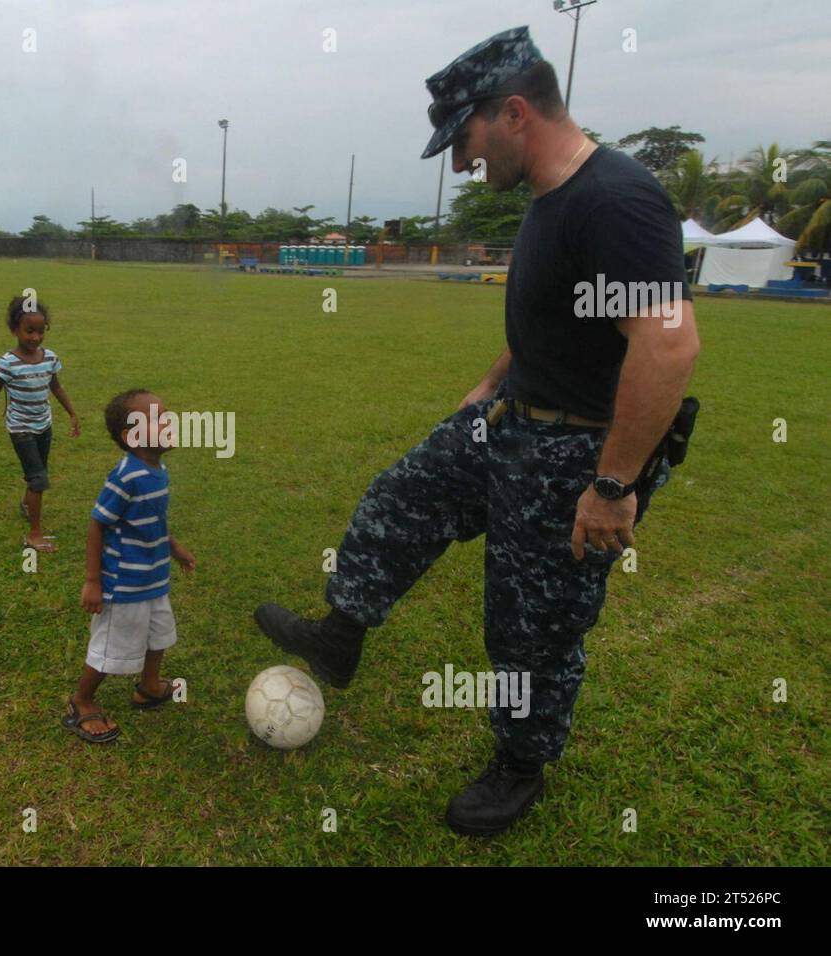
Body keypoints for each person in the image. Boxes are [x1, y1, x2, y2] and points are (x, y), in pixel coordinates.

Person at [254, 26, 700, 836]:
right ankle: (341, 632)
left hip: (577, 455)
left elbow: (669, 343)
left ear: (516, 112)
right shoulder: (551, 198)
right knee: (404, 497)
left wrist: (612, 486)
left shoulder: (615, 198)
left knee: (531, 626)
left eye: (462, 139)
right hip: (512, 420)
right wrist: (493, 381)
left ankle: (519, 767)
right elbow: (558, 313)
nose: (460, 162)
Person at [64, 389, 196, 743]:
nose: (168, 421)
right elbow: (98, 525)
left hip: (153, 578)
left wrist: (175, 549)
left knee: (159, 635)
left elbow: (153, 521)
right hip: (123, 585)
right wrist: (93, 580)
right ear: (132, 436)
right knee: (110, 647)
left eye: (166, 414)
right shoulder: (125, 477)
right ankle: (82, 699)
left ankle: (149, 687)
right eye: (156, 419)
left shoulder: (158, 469)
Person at [0, 295, 80, 552]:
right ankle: (34, 535)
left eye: (40, 331)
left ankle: (26, 504)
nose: (35, 337)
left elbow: (56, 386)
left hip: (44, 425)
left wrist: (72, 413)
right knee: (39, 480)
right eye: (29, 331)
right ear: (14, 330)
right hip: (21, 429)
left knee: (39, 470)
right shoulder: (7, 363)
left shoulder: (50, 358)